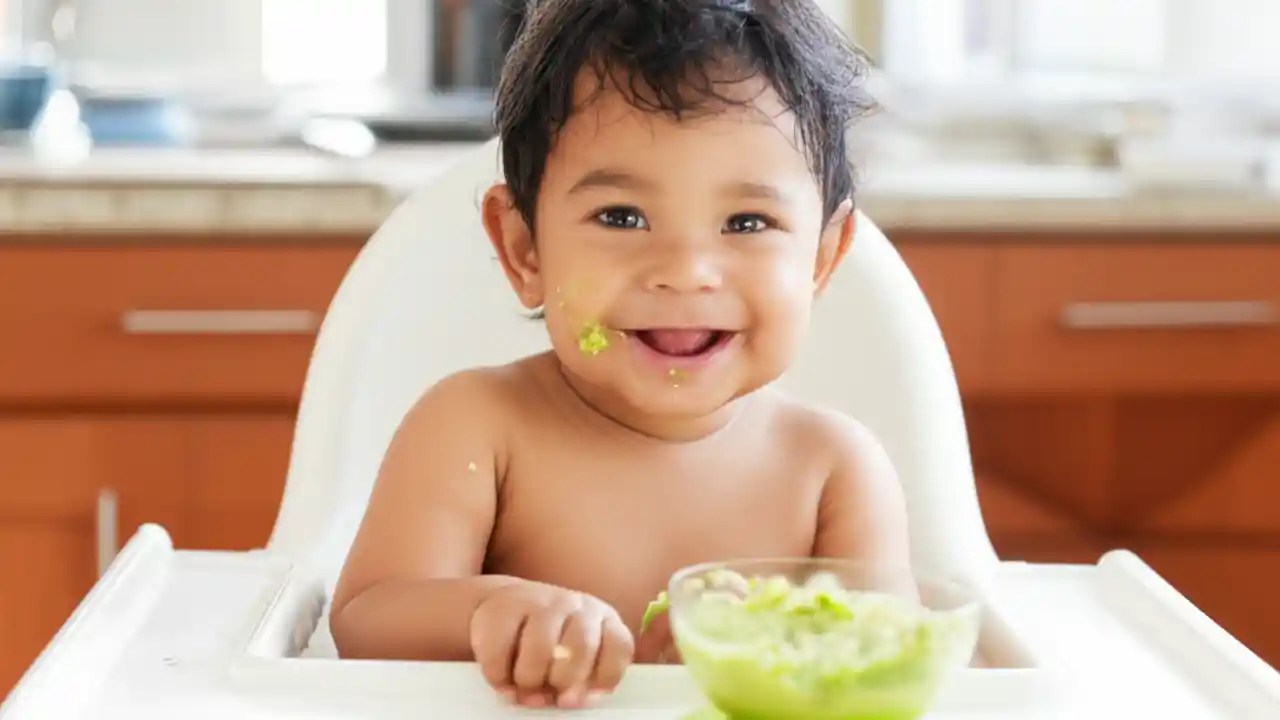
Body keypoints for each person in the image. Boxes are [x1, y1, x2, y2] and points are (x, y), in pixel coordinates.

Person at [330, 0, 909, 710]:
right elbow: (366, 620)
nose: (686, 270)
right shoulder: (477, 428)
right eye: (622, 217)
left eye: (747, 222)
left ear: (821, 260)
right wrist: (494, 613)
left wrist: (758, 652)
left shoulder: (832, 470)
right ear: (524, 248)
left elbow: (885, 664)